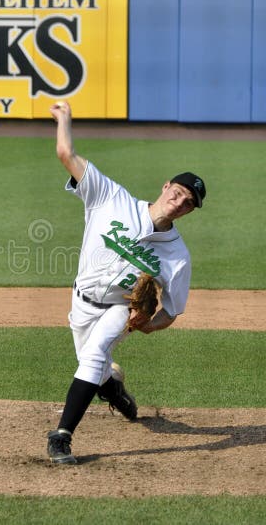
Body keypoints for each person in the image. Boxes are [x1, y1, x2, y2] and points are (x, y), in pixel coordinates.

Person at [46, 101, 206, 465]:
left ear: (189, 212)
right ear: (165, 186)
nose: (179, 202)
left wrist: (146, 324)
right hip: (81, 302)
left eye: (188, 203)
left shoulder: (177, 256)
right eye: (178, 192)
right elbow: (66, 154)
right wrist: (65, 118)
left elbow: (172, 310)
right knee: (93, 364)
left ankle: (62, 436)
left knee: (94, 355)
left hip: (119, 310)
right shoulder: (111, 198)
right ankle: (114, 389)